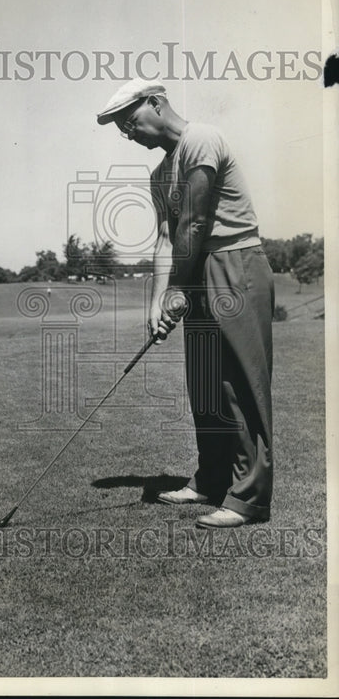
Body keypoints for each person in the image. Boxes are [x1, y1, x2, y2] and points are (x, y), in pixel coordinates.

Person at [97, 79, 274, 528]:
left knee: (238, 385)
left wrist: (179, 287)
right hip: (195, 270)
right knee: (206, 384)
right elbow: (164, 237)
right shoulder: (159, 174)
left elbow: (193, 224)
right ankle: (211, 479)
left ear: (156, 103)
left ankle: (248, 499)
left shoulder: (201, 140)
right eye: (121, 128)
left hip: (233, 262)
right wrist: (157, 302)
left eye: (130, 121)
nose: (127, 133)